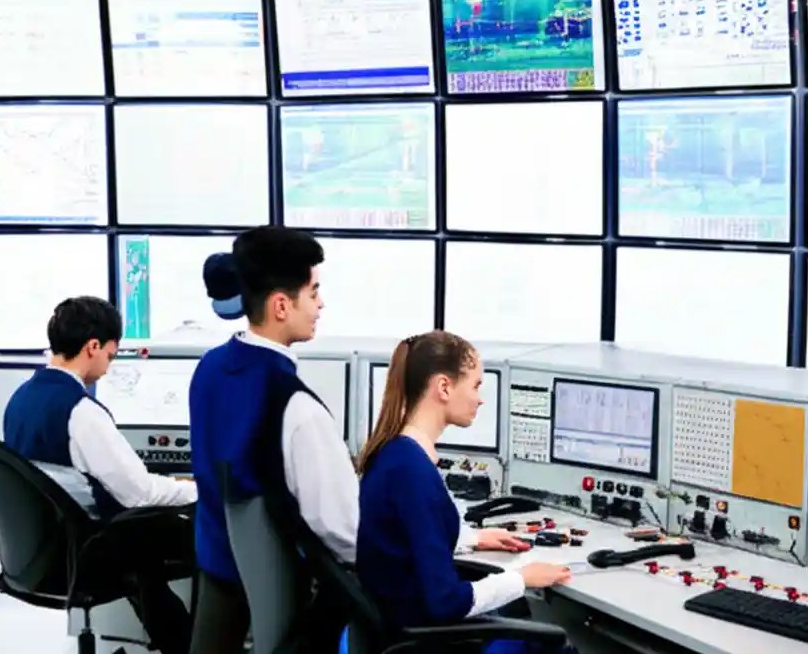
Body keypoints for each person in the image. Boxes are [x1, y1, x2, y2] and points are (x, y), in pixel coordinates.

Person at [188, 226, 356, 654]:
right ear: (282, 305)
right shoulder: (295, 407)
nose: (321, 304)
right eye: (314, 292)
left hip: (220, 567)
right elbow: (343, 533)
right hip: (282, 593)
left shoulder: (209, 368)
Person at [2, 295, 197, 654]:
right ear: (92, 347)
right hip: (86, 548)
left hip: (45, 544)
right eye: (110, 354)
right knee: (189, 528)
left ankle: (176, 640)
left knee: (145, 555)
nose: (109, 366)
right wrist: (196, 490)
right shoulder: (81, 411)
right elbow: (139, 495)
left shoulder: (20, 398)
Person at [355, 331, 572, 637]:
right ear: (444, 387)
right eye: (476, 385)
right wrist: (522, 578)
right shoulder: (412, 471)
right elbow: (445, 602)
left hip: (402, 624)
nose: (480, 398)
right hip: (426, 637)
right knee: (553, 637)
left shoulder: (394, 454)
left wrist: (470, 538)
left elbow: (404, 539)